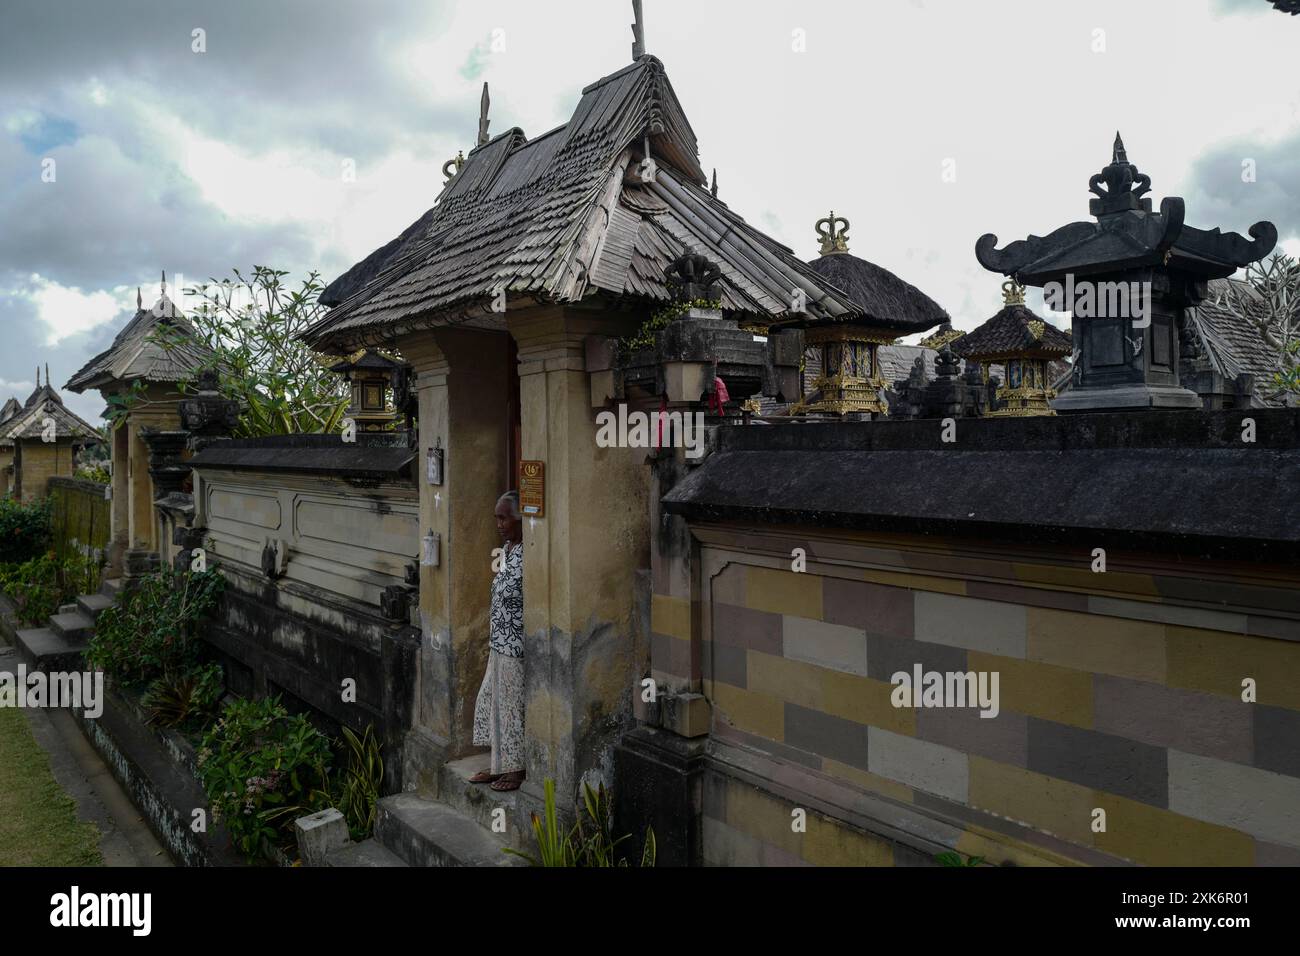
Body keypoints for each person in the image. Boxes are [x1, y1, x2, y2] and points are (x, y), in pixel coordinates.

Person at [470, 490, 526, 791]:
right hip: (498, 641)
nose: (499, 523)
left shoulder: (530, 552)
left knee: (511, 707)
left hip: (516, 645)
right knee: (492, 702)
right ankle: (497, 765)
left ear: (520, 518)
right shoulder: (507, 549)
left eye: (504, 517)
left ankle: (514, 770)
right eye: (497, 517)